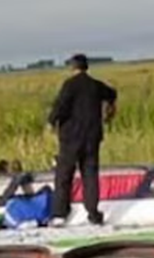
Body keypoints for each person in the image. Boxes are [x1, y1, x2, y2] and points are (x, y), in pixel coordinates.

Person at [47, 53, 118, 226]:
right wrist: (110, 109)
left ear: (73, 67)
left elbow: (60, 106)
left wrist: (51, 122)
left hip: (71, 137)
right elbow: (112, 94)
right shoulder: (95, 85)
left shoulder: (70, 85)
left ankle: (60, 213)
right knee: (90, 175)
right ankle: (93, 213)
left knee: (64, 174)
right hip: (92, 137)